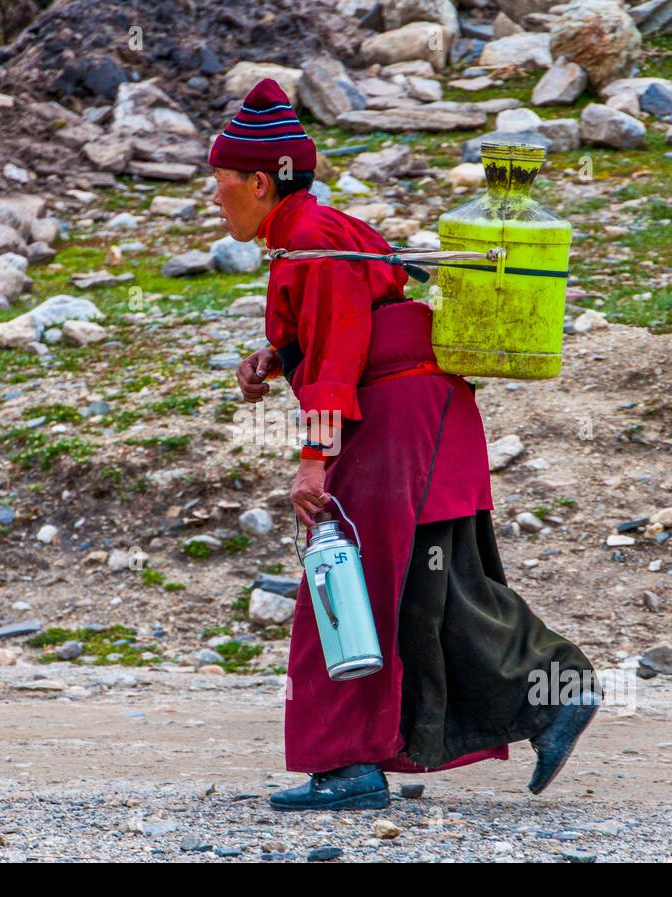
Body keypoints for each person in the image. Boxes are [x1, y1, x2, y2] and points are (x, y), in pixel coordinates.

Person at [210, 79, 602, 811]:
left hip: (394, 420)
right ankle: (554, 692)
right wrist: (275, 355)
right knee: (429, 583)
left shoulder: (309, 240)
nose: (216, 198)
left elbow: (337, 351)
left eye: (223, 184)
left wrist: (314, 458)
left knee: (343, 583)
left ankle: (349, 766)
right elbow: (357, 315)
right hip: (427, 407)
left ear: (259, 181)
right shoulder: (326, 228)